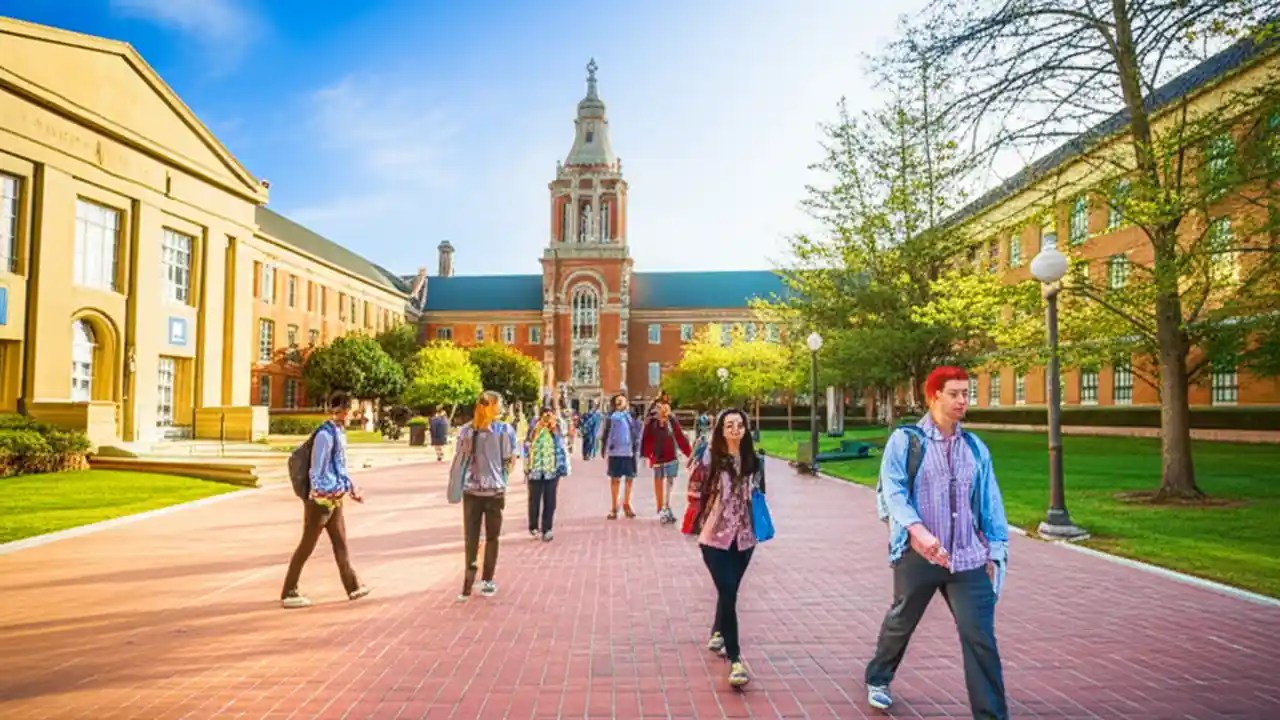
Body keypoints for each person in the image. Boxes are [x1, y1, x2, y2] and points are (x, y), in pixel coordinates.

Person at [865, 366, 1010, 718]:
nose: (963, 400)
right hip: (919, 556)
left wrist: (997, 548)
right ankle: (878, 677)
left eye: (966, 393)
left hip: (967, 557)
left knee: (981, 638)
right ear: (934, 397)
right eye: (955, 393)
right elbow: (893, 492)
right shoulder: (906, 440)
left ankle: (991, 714)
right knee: (902, 620)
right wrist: (918, 532)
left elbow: (990, 500)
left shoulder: (975, 447)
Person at [691, 408, 765, 688]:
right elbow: (696, 491)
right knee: (729, 591)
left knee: (729, 590)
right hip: (714, 538)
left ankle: (717, 630)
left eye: (739, 425)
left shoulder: (752, 461)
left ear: (745, 430)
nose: (734, 429)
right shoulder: (709, 458)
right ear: (721, 430)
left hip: (745, 538)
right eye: (729, 425)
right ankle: (735, 660)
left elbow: (757, 495)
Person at [281, 392, 371, 608]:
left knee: (340, 543)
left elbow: (340, 467)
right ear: (343, 410)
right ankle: (289, 591)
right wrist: (322, 494)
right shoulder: (325, 435)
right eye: (350, 409)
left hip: (335, 497)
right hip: (321, 501)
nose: (352, 414)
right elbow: (316, 470)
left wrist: (350, 488)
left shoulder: (339, 432)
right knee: (307, 544)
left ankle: (353, 586)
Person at [453, 391, 516, 601]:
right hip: (474, 490)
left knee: (490, 536)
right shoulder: (467, 431)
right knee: (473, 537)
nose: (495, 408)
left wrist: (502, 481)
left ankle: (486, 578)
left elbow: (509, 459)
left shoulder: (503, 430)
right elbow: (461, 457)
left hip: (491, 491)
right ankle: (469, 581)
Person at [641, 399, 692, 524]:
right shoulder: (651, 422)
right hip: (658, 457)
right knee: (658, 481)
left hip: (671, 457)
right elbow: (646, 438)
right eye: (660, 407)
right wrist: (647, 454)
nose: (663, 409)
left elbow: (679, 436)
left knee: (669, 482)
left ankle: (667, 506)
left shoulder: (672, 420)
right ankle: (660, 508)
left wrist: (689, 454)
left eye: (665, 407)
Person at [526, 407, 570, 541]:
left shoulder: (557, 428)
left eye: (549, 414)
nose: (546, 417)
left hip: (551, 470)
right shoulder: (534, 426)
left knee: (550, 501)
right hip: (535, 470)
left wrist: (554, 427)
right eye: (544, 414)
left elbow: (562, 445)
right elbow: (527, 444)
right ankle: (533, 527)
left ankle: (547, 528)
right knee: (534, 501)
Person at [600, 393, 642, 519]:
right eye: (617, 401)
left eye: (622, 400)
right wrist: (604, 449)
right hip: (615, 453)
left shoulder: (631, 417)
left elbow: (637, 433)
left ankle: (626, 503)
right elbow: (605, 433)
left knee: (629, 479)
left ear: (627, 403)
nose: (619, 402)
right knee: (615, 480)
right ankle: (614, 506)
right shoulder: (610, 418)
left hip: (629, 453)